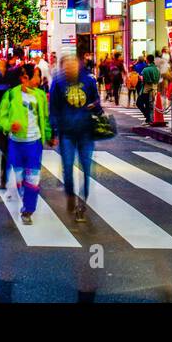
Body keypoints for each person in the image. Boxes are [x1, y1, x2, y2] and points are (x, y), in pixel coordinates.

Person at [48, 53, 101, 222]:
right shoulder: (58, 82)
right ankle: (70, 195)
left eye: (73, 64)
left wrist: (95, 106)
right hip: (67, 132)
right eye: (67, 65)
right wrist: (53, 132)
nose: (70, 67)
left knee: (86, 168)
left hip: (86, 131)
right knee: (68, 167)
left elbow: (97, 101)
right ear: (63, 67)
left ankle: (82, 202)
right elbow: (53, 109)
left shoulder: (89, 80)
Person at [0, 63, 52, 224]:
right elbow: (2, 117)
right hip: (16, 143)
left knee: (33, 177)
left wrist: (49, 135)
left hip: (34, 142)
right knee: (20, 177)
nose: (39, 79)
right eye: (37, 76)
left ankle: (28, 209)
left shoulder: (40, 96)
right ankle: (24, 200)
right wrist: (9, 126)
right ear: (25, 77)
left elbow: (45, 119)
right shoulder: (11, 95)